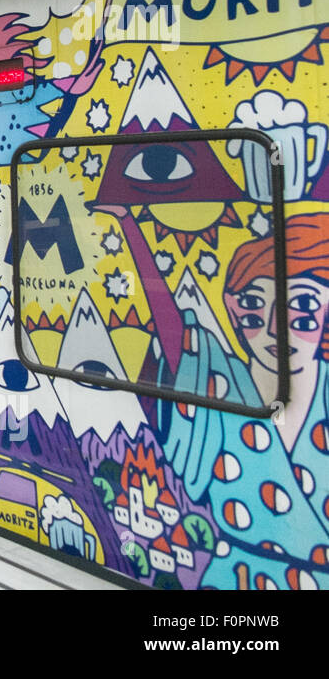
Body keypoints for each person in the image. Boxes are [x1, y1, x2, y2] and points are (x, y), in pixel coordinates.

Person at [160, 213, 329, 589]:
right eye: (252, 302)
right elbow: (169, 329)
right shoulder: (218, 376)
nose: (272, 325)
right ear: (233, 309)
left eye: (301, 304)